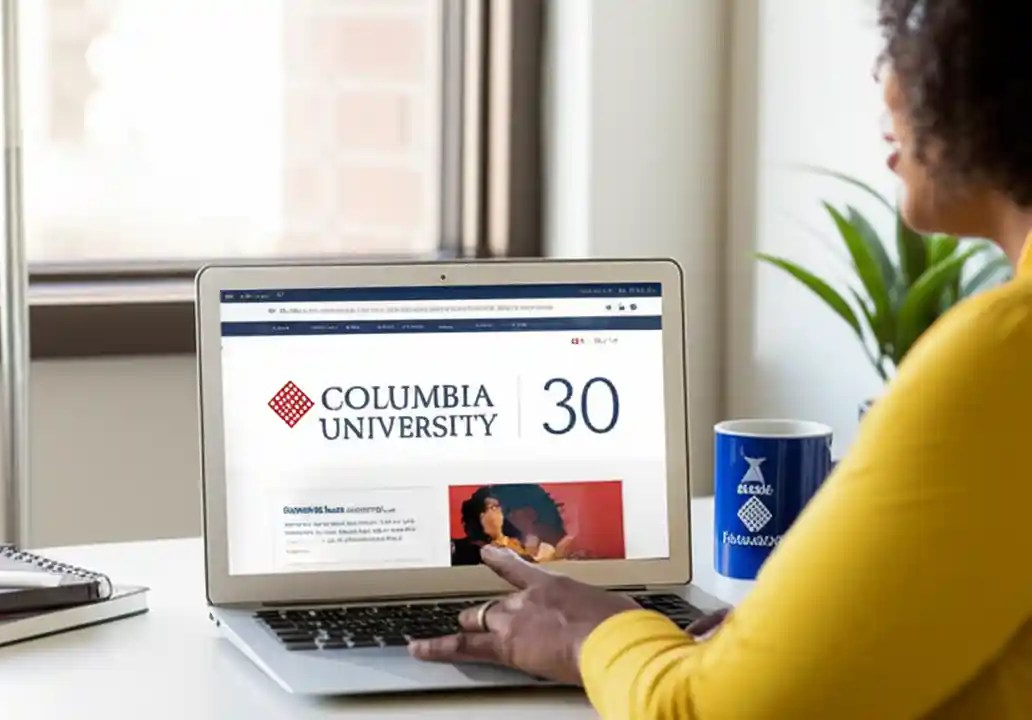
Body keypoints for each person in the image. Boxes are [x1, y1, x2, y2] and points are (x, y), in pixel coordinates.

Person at [412, 2, 1032, 717]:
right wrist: (809, 634)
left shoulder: (1005, 354)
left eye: (909, 34)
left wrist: (590, 634)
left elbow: (711, 713)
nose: (885, 76)